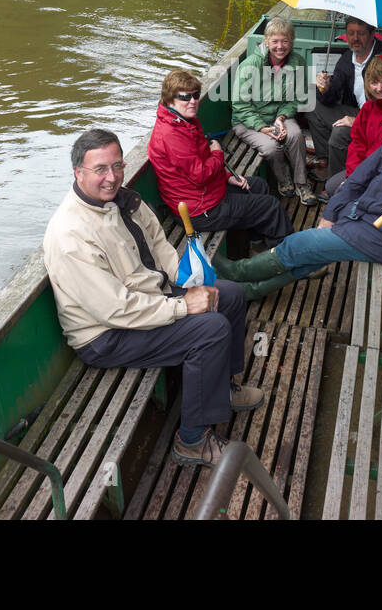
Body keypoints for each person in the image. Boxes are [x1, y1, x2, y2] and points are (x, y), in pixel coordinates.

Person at [42, 128, 264, 468]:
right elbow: (114, 309)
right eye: (100, 169)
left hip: (145, 296)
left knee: (227, 294)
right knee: (210, 329)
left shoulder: (123, 200)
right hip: (106, 334)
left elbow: (159, 244)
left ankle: (225, 389)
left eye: (117, 166)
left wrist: (187, 281)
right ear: (78, 173)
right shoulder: (70, 235)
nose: (112, 177)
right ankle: (192, 439)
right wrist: (182, 305)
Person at [213, 91, 382, 290]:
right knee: (309, 256)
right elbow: (360, 176)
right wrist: (331, 213)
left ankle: (239, 272)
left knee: (300, 245)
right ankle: (251, 290)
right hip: (359, 216)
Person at [147, 68, 293, 249]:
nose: (192, 101)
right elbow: (200, 175)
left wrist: (227, 177)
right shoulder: (172, 134)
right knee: (271, 207)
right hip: (199, 210)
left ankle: (256, 242)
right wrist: (217, 153)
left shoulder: (185, 121)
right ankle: (287, 257)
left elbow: (199, 165)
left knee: (258, 185)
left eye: (195, 95)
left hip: (205, 193)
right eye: (185, 97)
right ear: (169, 99)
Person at [231, 16, 318, 206]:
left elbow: (296, 98)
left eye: (285, 41)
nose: (280, 46)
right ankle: (283, 178)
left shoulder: (298, 62)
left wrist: (280, 118)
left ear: (291, 42)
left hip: (278, 116)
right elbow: (240, 105)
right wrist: (262, 127)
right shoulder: (250, 66)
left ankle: (301, 184)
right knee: (271, 147)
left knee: (295, 134)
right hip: (248, 121)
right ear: (266, 41)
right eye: (275, 41)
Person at [309, 17, 382, 182]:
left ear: (372, 34)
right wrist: (325, 87)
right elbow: (331, 97)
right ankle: (326, 161)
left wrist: (357, 120)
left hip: (380, 120)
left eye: (361, 34)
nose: (355, 39)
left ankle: (338, 183)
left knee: (339, 133)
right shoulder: (348, 58)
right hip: (357, 112)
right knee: (310, 105)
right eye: (351, 33)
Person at [321, 57, 382, 199]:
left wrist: (366, 182)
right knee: (332, 186)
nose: (379, 88)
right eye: (374, 82)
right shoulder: (369, 107)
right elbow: (357, 144)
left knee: (345, 194)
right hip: (365, 170)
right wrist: (353, 177)